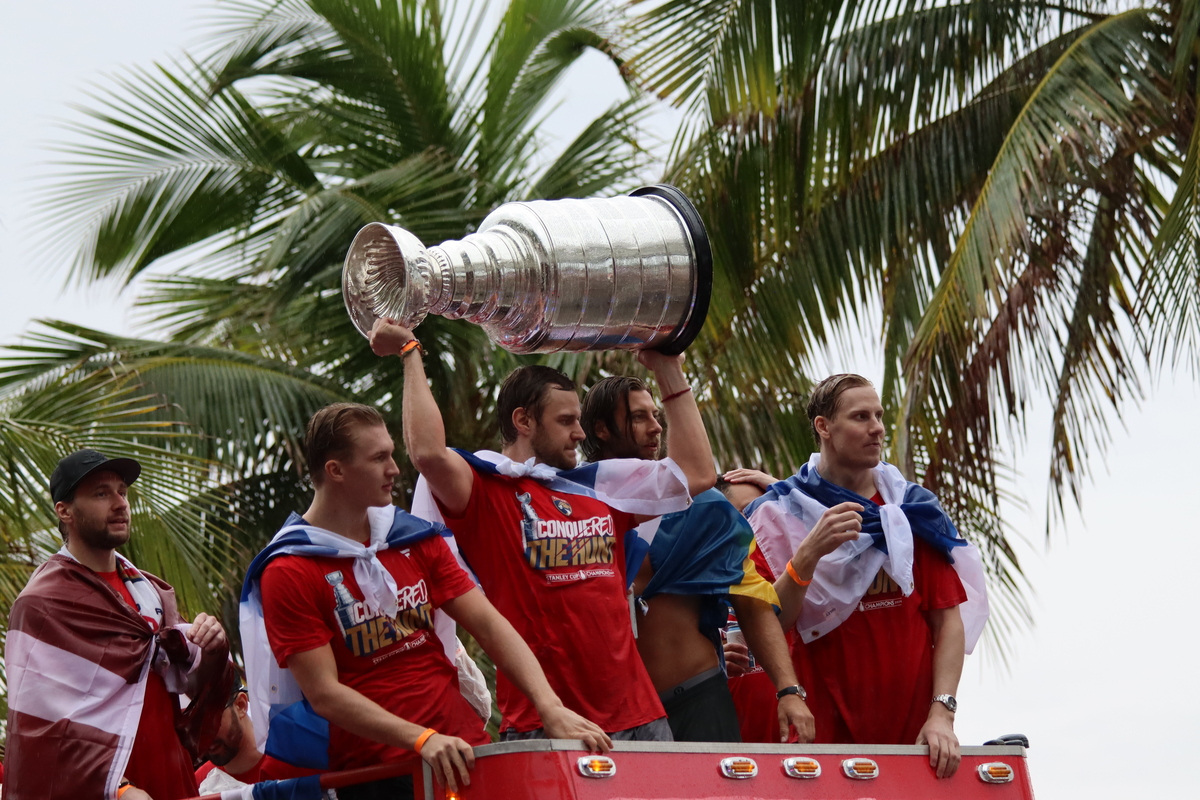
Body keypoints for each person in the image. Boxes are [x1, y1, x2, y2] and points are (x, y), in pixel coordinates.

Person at [242, 403, 609, 800]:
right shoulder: (289, 569)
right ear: (336, 471)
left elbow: (488, 623)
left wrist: (548, 705)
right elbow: (324, 692)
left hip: (465, 749)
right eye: (379, 458)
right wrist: (421, 739)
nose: (395, 469)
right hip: (381, 773)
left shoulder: (411, 536)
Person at [372, 319, 716, 742]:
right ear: (524, 421)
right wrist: (410, 352)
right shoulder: (487, 490)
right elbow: (427, 452)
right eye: (566, 420)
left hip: (641, 719)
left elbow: (698, 473)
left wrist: (667, 368)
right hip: (547, 724)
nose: (580, 433)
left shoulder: (601, 486)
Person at [727, 374, 990, 778]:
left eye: (879, 415)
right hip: (824, 740)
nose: (877, 428)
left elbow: (947, 620)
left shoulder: (910, 511)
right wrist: (808, 555)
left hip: (913, 742)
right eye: (861, 416)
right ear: (824, 427)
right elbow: (769, 623)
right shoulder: (776, 516)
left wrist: (943, 713)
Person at [581, 376, 813, 743]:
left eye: (656, 415)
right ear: (601, 428)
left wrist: (788, 690)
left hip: (696, 698)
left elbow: (753, 602)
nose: (656, 427)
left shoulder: (705, 507)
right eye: (639, 417)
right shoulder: (571, 508)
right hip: (607, 713)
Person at [4, 449, 233, 800]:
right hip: (105, 791)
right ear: (64, 511)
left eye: (122, 492)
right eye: (101, 493)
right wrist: (121, 789)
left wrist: (211, 647)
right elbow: (47, 730)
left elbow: (188, 683)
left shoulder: (149, 593)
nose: (120, 503)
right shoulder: (41, 604)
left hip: (172, 776)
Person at [194, 684, 316, 788]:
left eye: (211, 719)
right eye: (192, 726)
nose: (202, 735)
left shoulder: (299, 761)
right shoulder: (199, 784)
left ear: (241, 705)